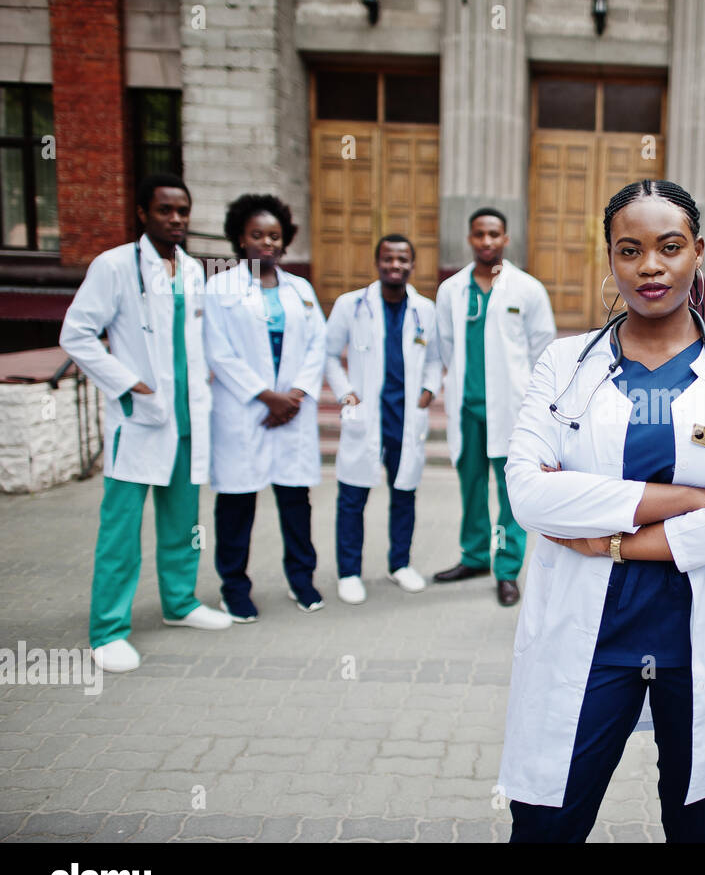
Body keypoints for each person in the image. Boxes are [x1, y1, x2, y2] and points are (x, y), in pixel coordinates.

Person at [499, 180, 705, 843]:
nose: (651, 267)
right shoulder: (564, 364)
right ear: (610, 258)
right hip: (593, 632)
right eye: (629, 250)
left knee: (698, 827)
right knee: (545, 823)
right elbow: (529, 493)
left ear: (698, 250)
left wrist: (615, 542)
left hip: (701, 637)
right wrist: (696, 500)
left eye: (669, 247)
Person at [59, 174, 231, 672]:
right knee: (121, 531)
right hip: (138, 421)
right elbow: (78, 334)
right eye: (164, 210)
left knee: (184, 524)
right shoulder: (114, 266)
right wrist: (125, 382)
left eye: (182, 211)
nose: (175, 219)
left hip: (186, 422)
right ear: (142, 214)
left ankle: (180, 604)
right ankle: (108, 629)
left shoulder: (195, 271)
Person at [204, 194, 327, 622]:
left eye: (274, 236)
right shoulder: (220, 287)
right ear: (240, 238)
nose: (266, 243)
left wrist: (294, 395)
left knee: (296, 502)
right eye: (257, 235)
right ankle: (234, 588)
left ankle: (302, 579)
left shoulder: (301, 290)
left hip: (291, 413)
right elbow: (217, 352)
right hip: (245, 412)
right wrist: (265, 395)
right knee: (237, 504)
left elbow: (317, 345)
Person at [433, 208, 556, 607]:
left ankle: (506, 569)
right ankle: (472, 557)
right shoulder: (452, 289)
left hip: (511, 410)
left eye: (494, 234)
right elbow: (444, 346)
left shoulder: (528, 289)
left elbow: (543, 352)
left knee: (508, 493)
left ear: (506, 238)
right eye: (480, 234)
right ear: (470, 238)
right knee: (470, 487)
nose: (487, 241)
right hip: (467, 407)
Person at [325, 234, 442, 605]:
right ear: (377, 262)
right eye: (388, 259)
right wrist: (346, 392)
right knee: (352, 496)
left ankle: (400, 564)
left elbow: (437, 359)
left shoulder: (425, 309)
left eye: (403, 259)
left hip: (406, 418)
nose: (395, 265)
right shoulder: (351, 305)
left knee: (404, 493)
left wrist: (429, 389)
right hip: (366, 416)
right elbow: (328, 355)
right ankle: (348, 572)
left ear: (412, 264)